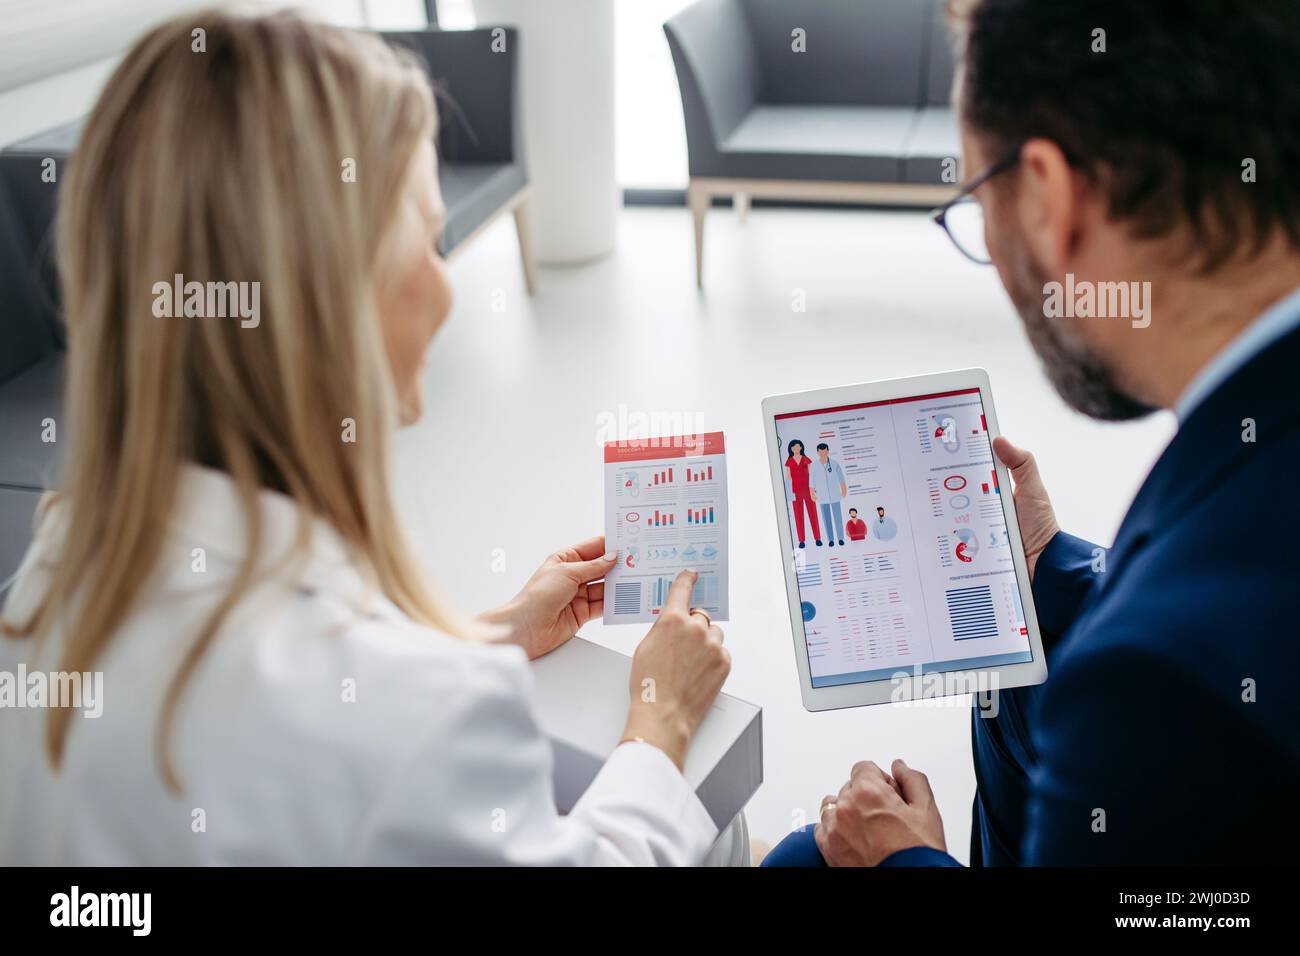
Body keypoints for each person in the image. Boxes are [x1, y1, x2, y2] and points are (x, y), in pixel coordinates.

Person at [0, 8, 732, 865]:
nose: (449, 288)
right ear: (333, 299)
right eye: (426, 237)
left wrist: (488, 631)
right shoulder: (428, 720)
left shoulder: (53, 565)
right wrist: (661, 719)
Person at [766, 0, 1300, 866]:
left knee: (804, 857)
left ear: (1051, 197)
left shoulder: (1154, 687)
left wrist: (907, 860)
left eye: (977, 198)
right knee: (1015, 677)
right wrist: (1048, 563)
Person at [783, 439, 821, 548]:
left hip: (808, 490)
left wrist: (814, 489)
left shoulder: (806, 459)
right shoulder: (789, 461)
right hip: (795, 492)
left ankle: (817, 538)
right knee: (798, 516)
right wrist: (789, 494)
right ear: (791, 449)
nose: (796, 449)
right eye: (794, 447)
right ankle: (801, 540)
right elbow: (788, 477)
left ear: (801, 447)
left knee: (813, 513)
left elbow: (811, 474)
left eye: (798, 446)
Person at [810, 443, 848, 547]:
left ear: (828, 451)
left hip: (835, 495)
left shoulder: (834, 463)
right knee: (827, 519)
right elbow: (811, 481)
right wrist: (812, 493)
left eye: (825, 451)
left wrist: (844, 490)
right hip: (822, 497)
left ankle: (840, 538)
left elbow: (841, 478)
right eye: (821, 451)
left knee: (838, 517)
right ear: (818, 452)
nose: (823, 453)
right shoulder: (814, 466)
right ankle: (831, 539)